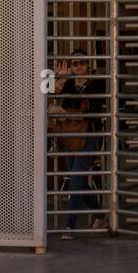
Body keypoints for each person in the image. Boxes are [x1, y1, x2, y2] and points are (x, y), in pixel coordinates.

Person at [53, 49, 106, 238]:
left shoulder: (97, 82)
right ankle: (100, 215)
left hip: (89, 134)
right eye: (75, 64)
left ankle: (70, 225)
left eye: (82, 63)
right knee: (79, 180)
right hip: (69, 135)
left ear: (88, 65)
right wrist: (60, 79)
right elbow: (48, 93)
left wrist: (65, 111)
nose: (79, 66)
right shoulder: (67, 83)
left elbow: (92, 109)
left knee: (76, 178)